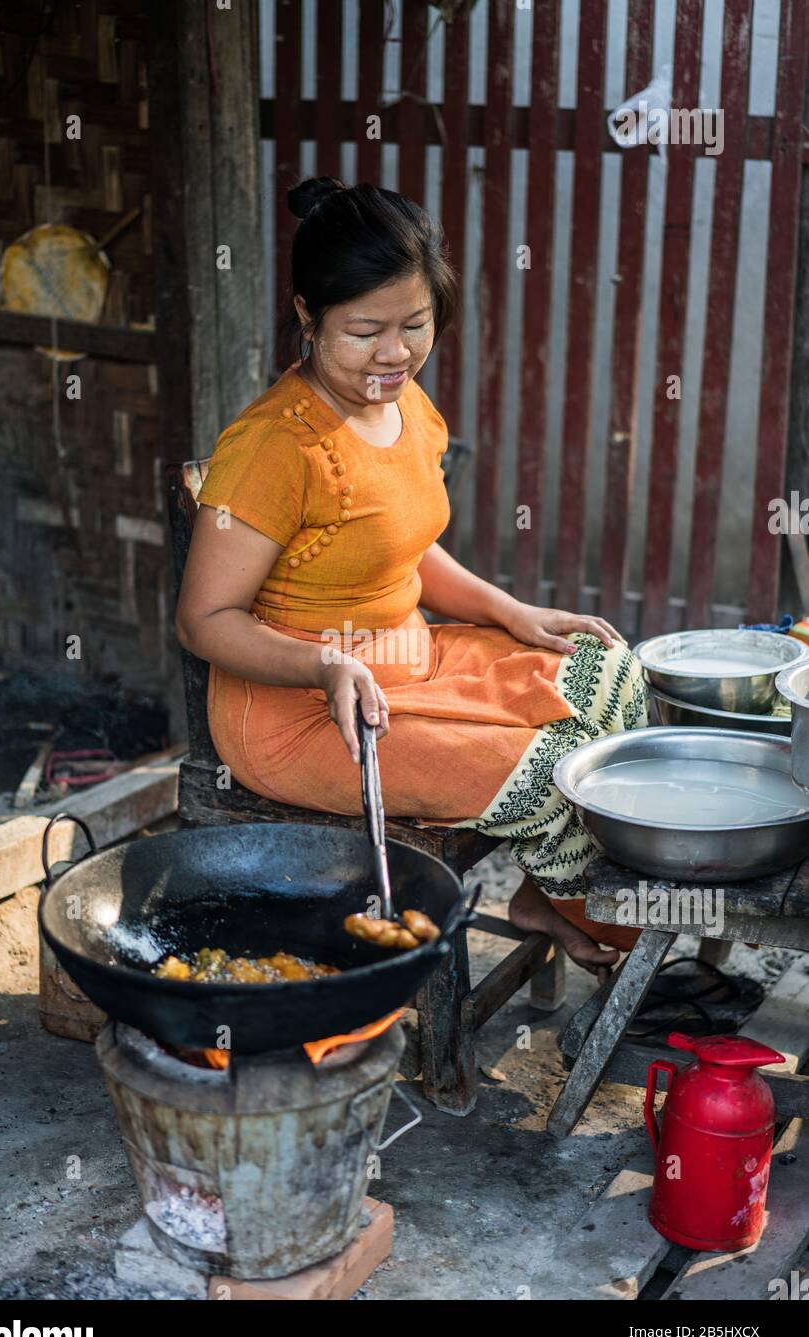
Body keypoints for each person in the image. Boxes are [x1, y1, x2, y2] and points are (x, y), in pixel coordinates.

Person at [176, 177, 649, 982]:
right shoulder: (272, 449)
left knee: (613, 678)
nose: (393, 354)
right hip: (301, 714)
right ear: (305, 315)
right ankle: (613, 935)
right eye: (363, 331)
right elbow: (204, 620)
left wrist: (510, 612)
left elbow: (405, 547)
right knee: (551, 770)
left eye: (414, 325)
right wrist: (324, 664)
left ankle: (541, 895)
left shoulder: (405, 406)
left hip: (408, 658)